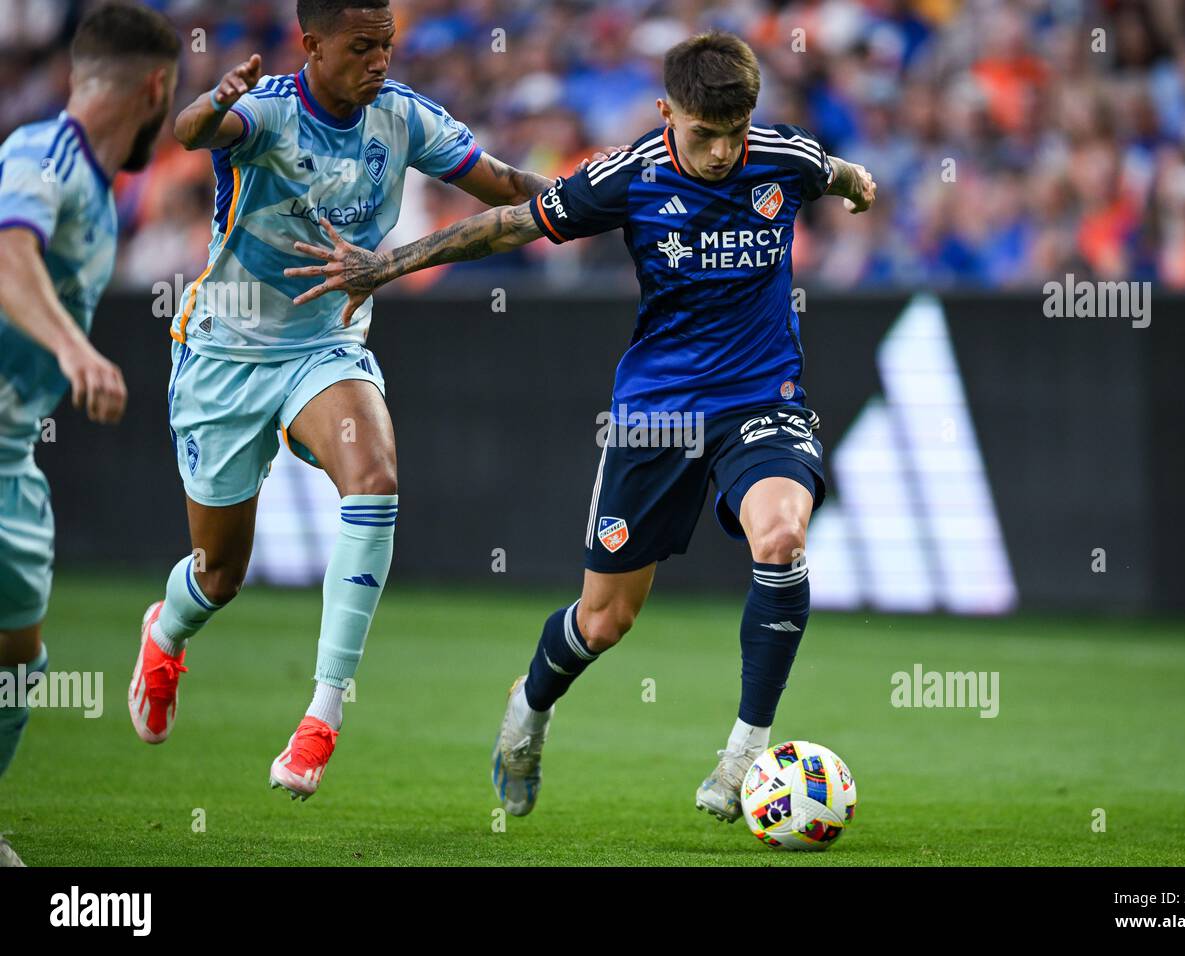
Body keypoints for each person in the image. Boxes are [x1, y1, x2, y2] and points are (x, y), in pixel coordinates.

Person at [284, 31, 876, 822]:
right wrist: (387, 265)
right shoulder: (627, 176)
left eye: (736, 134)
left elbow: (831, 172)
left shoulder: (781, 157)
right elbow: (511, 226)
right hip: (655, 417)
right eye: (704, 134)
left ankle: (743, 755)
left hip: (760, 400)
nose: (723, 153)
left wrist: (854, 181)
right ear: (669, 113)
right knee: (603, 621)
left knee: (782, 540)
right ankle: (528, 709)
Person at [130, 0, 609, 801]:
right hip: (226, 350)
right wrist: (216, 99)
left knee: (376, 480)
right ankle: (167, 631)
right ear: (312, 45)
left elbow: (505, 188)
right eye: (361, 47)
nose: (380, 60)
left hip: (325, 345)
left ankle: (321, 717)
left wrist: (585, 204)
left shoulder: (403, 117)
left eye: (387, 44)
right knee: (219, 573)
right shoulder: (267, 112)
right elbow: (189, 133)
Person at [0, 1, 180, 866]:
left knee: (17, 652)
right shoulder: (43, 155)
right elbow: (7, 253)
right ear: (155, 86)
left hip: (11, 455)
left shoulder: (104, 203)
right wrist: (77, 350)